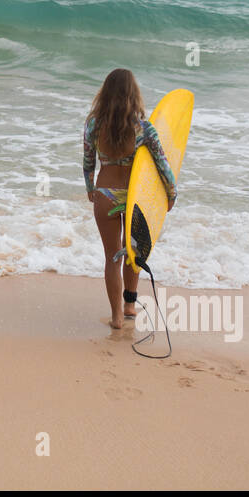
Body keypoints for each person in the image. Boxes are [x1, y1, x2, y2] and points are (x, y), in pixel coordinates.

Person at [82, 68, 177, 329]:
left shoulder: (93, 125)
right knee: (134, 251)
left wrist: (90, 187)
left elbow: (88, 162)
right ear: (133, 95)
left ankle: (115, 317)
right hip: (136, 198)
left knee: (112, 256)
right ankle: (130, 306)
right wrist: (171, 193)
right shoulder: (144, 129)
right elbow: (163, 165)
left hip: (106, 195)